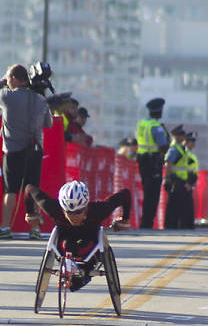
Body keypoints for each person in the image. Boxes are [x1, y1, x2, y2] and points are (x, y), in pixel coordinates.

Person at [0, 63, 53, 240]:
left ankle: (6, 228)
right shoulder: (40, 99)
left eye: (9, 78)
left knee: (11, 190)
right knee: (33, 190)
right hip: (36, 149)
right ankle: (35, 230)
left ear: (14, 79)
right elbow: (49, 124)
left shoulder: (8, 96)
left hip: (13, 149)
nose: (7, 81)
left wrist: (3, 80)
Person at [26, 180, 131, 291]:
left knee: (76, 282)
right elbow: (29, 189)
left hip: (90, 248)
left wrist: (125, 219)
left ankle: (78, 275)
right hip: (64, 246)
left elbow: (125, 194)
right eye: (69, 213)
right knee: (67, 244)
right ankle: (68, 269)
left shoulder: (98, 210)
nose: (74, 217)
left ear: (86, 207)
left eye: (78, 212)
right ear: (62, 208)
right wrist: (30, 213)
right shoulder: (54, 209)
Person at [135, 97, 170, 229]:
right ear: (158, 111)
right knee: (153, 195)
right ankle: (147, 223)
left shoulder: (142, 123)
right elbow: (163, 147)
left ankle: (145, 222)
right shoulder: (156, 127)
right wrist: (167, 140)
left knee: (147, 192)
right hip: (153, 163)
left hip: (143, 161)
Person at [162, 125, 188, 229]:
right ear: (176, 136)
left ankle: (174, 225)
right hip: (175, 181)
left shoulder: (179, 148)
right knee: (173, 206)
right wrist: (167, 179)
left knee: (178, 206)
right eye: (181, 135)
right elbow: (168, 163)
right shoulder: (174, 149)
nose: (183, 137)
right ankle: (170, 226)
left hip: (180, 181)